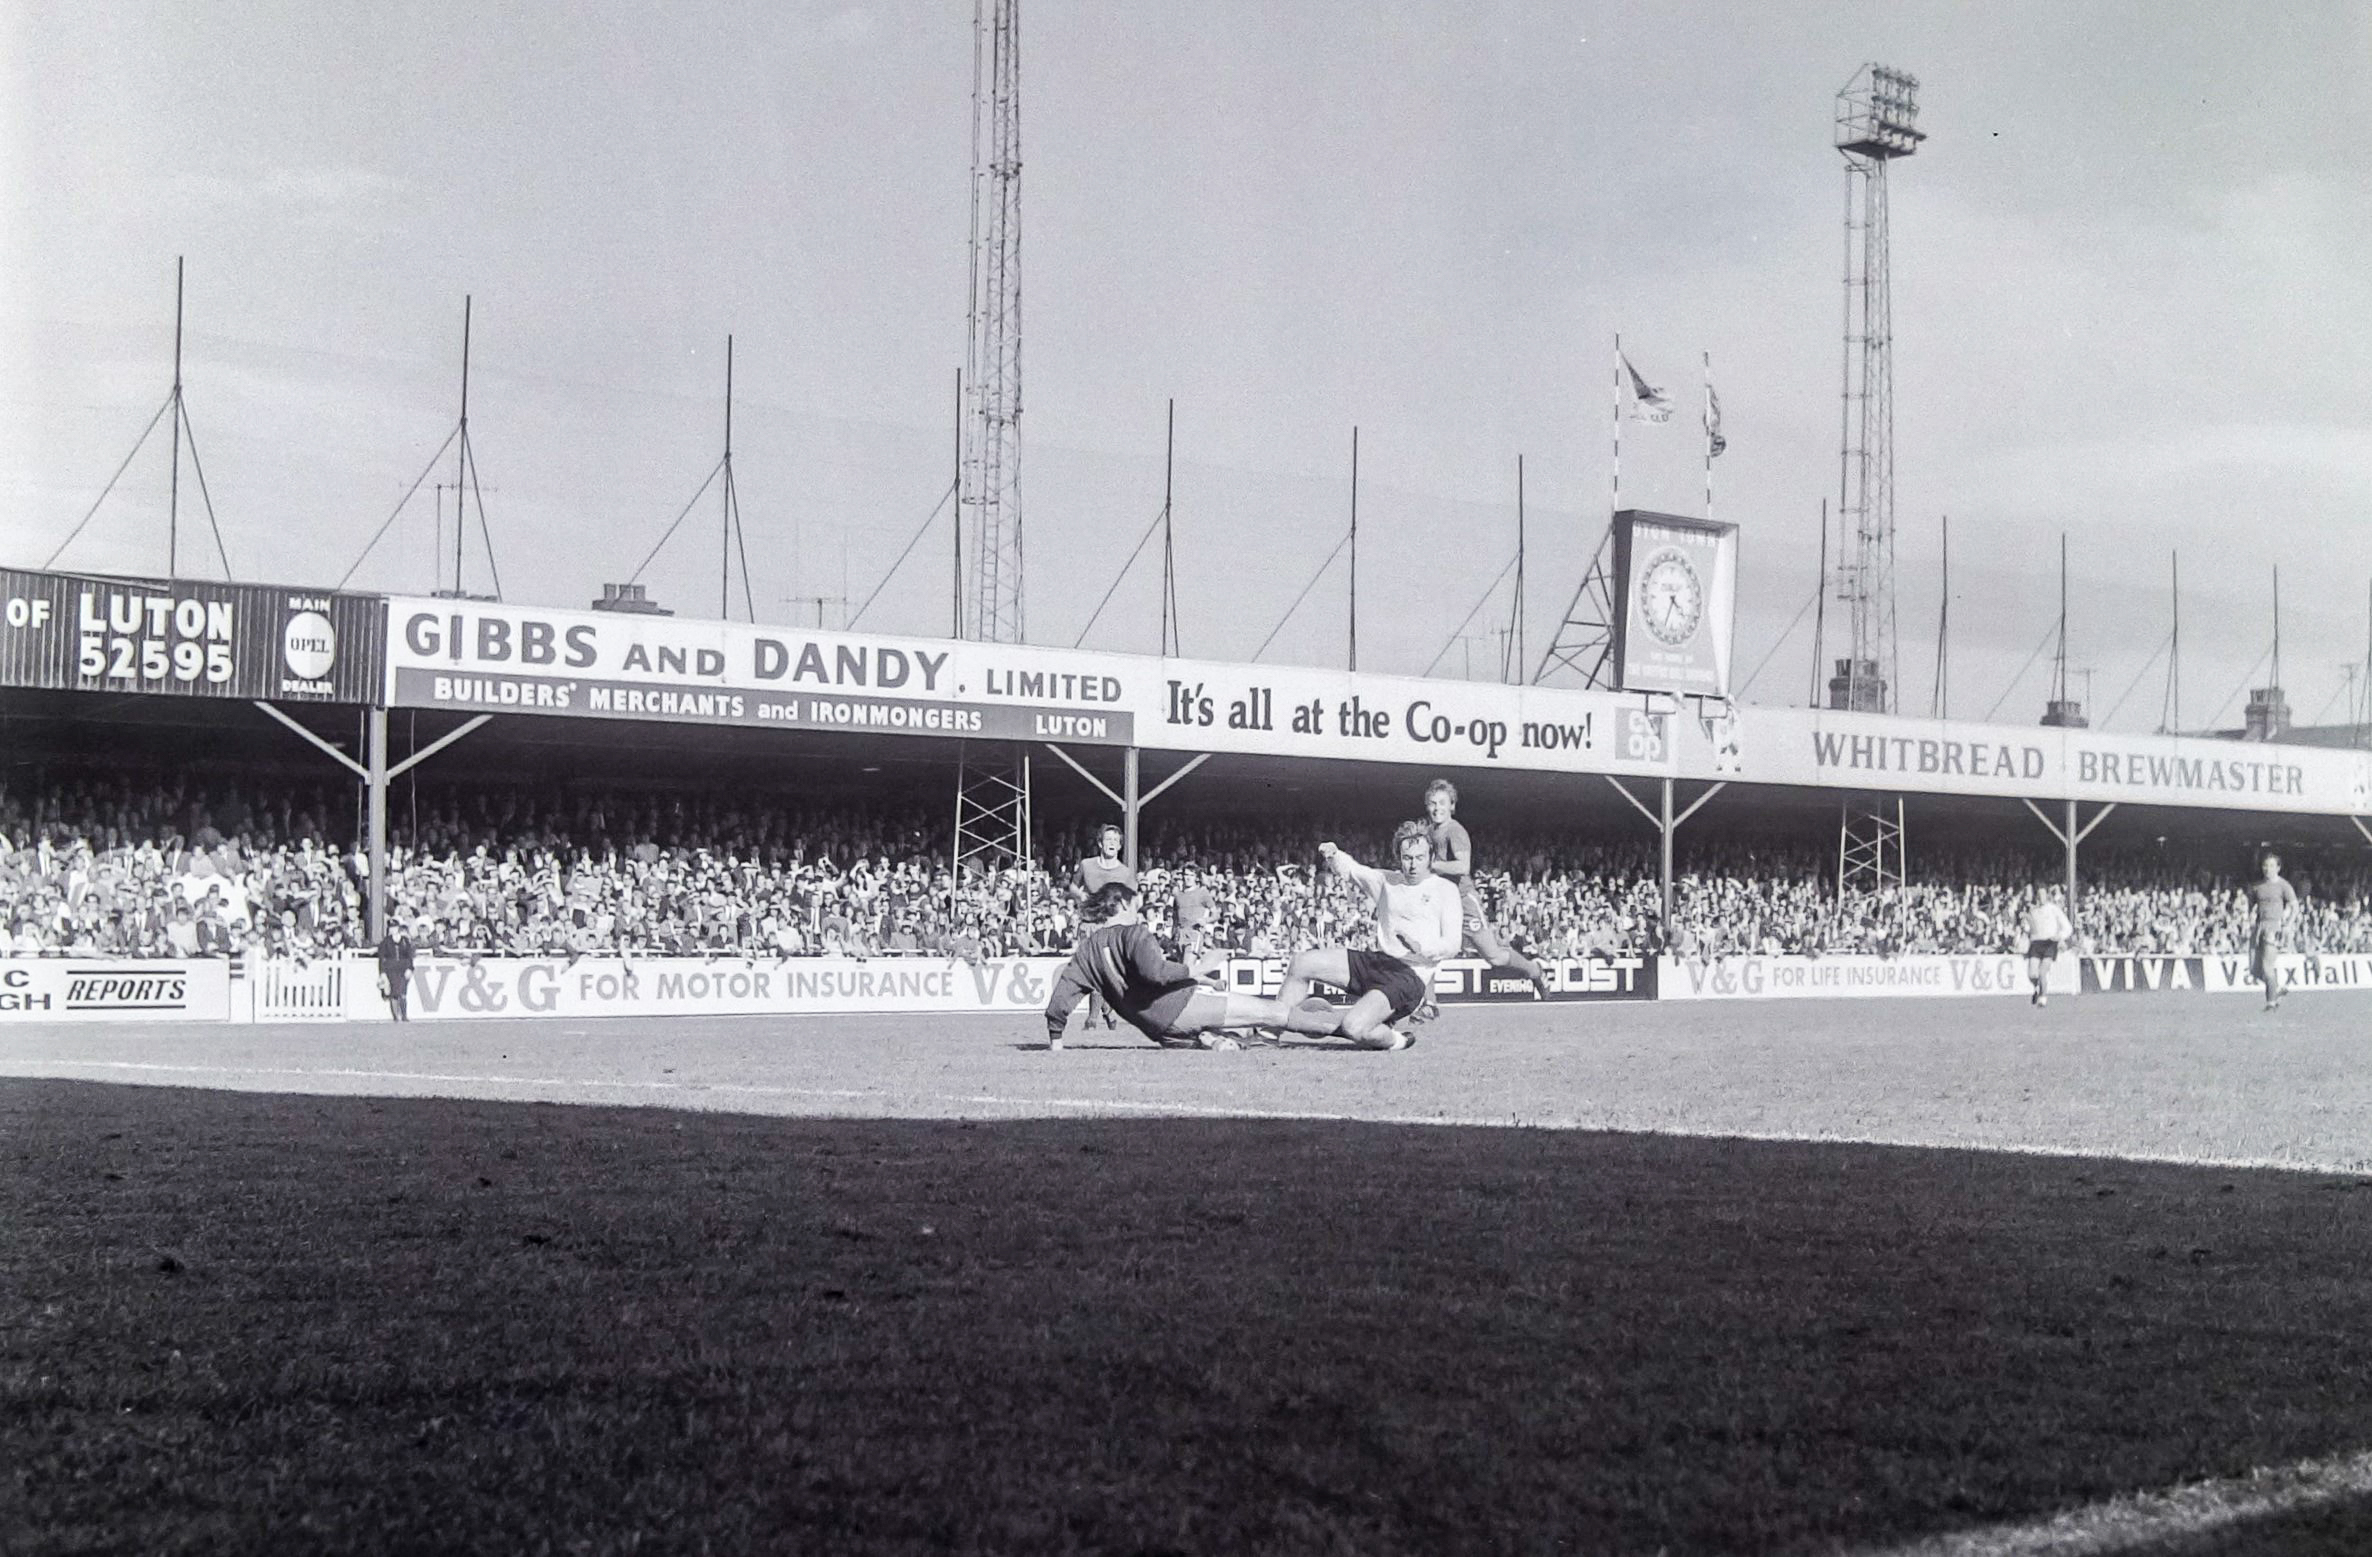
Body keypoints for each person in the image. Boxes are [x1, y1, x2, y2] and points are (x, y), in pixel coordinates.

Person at [1271, 821, 1463, 1051]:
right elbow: (1353, 871)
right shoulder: (1387, 881)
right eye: (1407, 857)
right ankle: (1270, 1032)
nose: (1413, 865)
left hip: (1411, 976)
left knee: (1354, 1027)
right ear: (1398, 857)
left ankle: (1397, 1040)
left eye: (1420, 857)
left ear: (1431, 856)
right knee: (1302, 963)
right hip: (1378, 962)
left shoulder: (1445, 890)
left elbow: (1453, 944)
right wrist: (1334, 855)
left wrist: (1420, 947)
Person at [1042, 883, 1292, 1051]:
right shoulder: (1133, 934)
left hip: (1157, 1031)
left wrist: (1056, 1042)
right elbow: (1159, 973)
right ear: (1123, 905)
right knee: (1271, 1014)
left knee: (1239, 1032)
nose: (1137, 914)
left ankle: (1209, 1038)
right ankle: (1329, 1026)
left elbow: (1060, 1000)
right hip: (1178, 1006)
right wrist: (1201, 969)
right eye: (1136, 908)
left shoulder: (1088, 949)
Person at [1421, 780, 1552, 998]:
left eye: (1442, 803)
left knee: (1495, 957)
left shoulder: (1455, 831)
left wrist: (1431, 865)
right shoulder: (1430, 831)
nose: (1437, 808)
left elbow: (1463, 866)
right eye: (1432, 803)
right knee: (1428, 947)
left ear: (1452, 805)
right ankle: (1428, 1002)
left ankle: (1535, 971)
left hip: (1463, 901)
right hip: (1441, 901)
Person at [1071, 824, 1137, 1028]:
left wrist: (1129, 923)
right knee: (1091, 970)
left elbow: (1132, 901)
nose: (1112, 844)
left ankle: (1094, 1018)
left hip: (1110, 928)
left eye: (1116, 841)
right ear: (1100, 842)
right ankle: (1105, 1011)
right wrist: (1080, 895)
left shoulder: (1125, 873)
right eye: (1108, 840)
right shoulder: (1086, 865)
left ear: (1119, 847)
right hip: (1088, 925)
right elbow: (1073, 885)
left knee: (1105, 972)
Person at [2247, 852, 2300, 1011]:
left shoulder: (2284, 885)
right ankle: (2277, 989)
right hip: (2258, 927)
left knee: (2267, 966)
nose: (2267, 869)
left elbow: (2295, 907)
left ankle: (2271, 1003)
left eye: (2271, 865)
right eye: (2265, 865)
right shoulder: (2257, 886)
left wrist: (2288, 925)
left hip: (2273, 927)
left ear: (2278, 868)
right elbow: (2252, 907)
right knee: (2254, 970)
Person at [2022, 884, 2073, 1006]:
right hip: (2036, 943)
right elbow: (2030, 928)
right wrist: (2025, 927)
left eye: (2043, 894)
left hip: (2050, 943)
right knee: (2032, 974)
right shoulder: (2033, 911)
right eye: (2039, 895)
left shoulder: (2053, 909)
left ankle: (2043, 997)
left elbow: (2067, 927)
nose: (2041, 897)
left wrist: (2060, 936)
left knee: (2042, 972)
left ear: (2047, 896)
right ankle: (2036, 988)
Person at [375, 920, 417, 1023]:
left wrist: (410, 968)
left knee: (402, 992)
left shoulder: (405, 941)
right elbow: (382, 958)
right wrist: (382, 973)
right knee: (394, 993)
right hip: (391, 970)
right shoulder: (385, 942)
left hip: (403, 970)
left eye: (395, 927)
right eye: (391, 927)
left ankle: (404, 1015)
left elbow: (409, 956)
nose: (393, 929)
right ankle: (395, 1017)